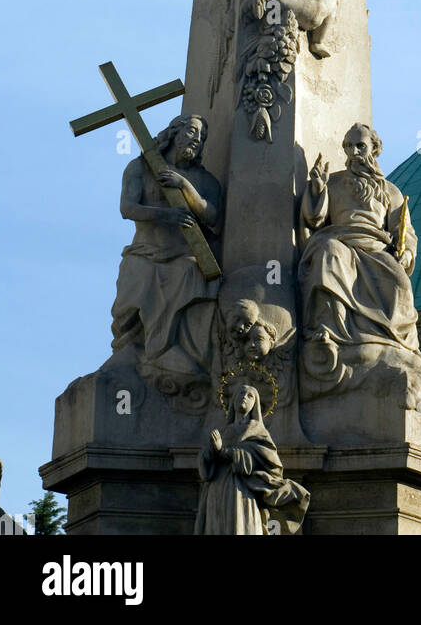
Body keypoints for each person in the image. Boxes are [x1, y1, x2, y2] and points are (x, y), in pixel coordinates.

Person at [109, 114, 222, 391]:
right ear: (174, 133)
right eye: (192, 132)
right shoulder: (140, 168)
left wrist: (185, 186)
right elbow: (128, 208)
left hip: (183, 257)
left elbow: (212, 215)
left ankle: (164, 351)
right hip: (145, 253)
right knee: (136, 277)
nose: (197, 140)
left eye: (202, 138)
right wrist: (167, 215)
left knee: (192, 274)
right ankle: (141, 349)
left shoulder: (202, 179)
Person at [298, 123, 419, 361]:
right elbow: (314, 219)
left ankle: (393, 340)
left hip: (376, 247)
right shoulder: (333, 182)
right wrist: (317, 189)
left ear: (374, 150)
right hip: (338, 239)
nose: (353, 152)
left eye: (360, 146)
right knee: (328, 254)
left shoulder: (390, 191)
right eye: (349, 146)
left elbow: (404, 231)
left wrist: (407, 253)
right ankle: (331, 330)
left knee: (399, 283)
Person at [195, 383, 309, 536]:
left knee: (241, 527)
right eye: (241, 393)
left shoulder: (258, 431)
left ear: (254, 405)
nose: (244, 397)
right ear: (234, 400)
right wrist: (209, 454)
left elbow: (262, 461)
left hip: (242, 490)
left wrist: (223, 451)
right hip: (218, 488)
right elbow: (206, 471)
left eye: (250, 396)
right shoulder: (224, 432)